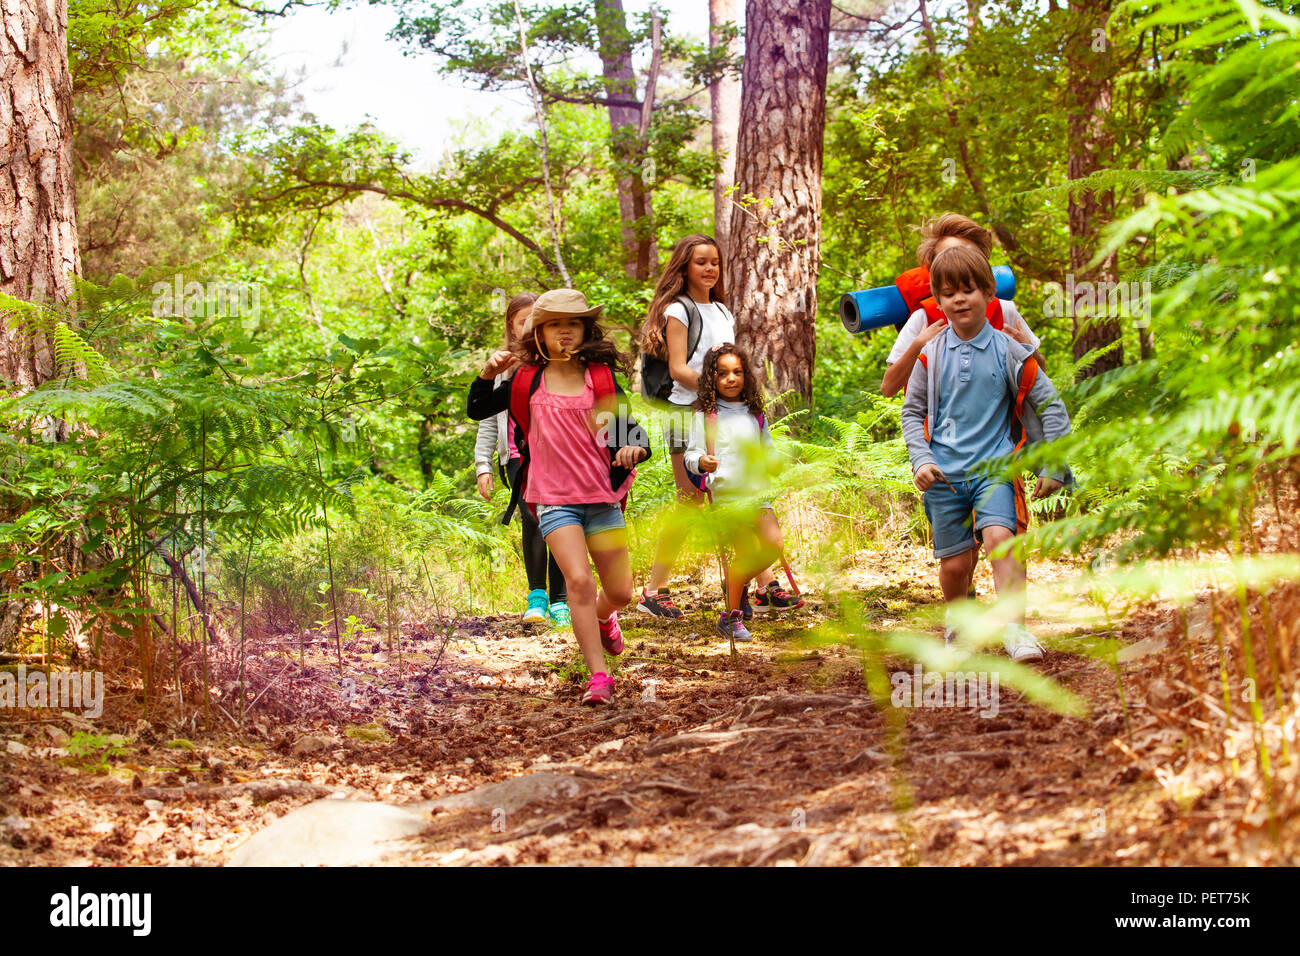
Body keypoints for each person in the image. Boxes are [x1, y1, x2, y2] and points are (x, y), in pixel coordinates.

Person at [467, 289, 650, 705]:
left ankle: (606, 617)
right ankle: (598, 677)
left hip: (601, 498)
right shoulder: (525, 381)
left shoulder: (600, 379)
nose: (563, 332)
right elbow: (477, 410)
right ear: (539, 333)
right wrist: (485, 372)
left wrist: (632, 448)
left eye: (572, 323)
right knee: (579, 583)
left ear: (585, 330)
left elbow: (632, 433)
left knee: (620, 592)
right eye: (553, 324)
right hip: (553, 500)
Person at [900, 246, 1070, 662]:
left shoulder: (1010, 350)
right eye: (949, 293)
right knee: (956, 566)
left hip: (996, 468)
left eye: (969, 290)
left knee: (1001, 541)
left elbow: (1050, 406)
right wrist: (922, 460)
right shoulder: (930, 353)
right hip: (944, 475)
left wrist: (1053, 464)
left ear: (990, 293)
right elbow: (912, 411)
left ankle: (1017, 630)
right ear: (937, 302)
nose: (960, 300)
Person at [882, 213, 1047, 599]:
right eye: (946, 260)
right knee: (959, 558)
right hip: (946, 452)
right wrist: (920, 343)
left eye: (969, 257)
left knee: (1002, 536)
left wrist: (1024, 347)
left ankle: (1012, 625)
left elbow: (1037, 379)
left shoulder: (1004, 310)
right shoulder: (923, 316)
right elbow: (891, 387)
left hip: (1001, 445)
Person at [637, 234, 797, 619]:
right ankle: (653, 590)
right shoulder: (679, 309)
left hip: (720, 413)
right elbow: (678, 368)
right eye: (700, 262)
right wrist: (717, 395)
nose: (709, 269)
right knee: (689, 501)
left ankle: (764, 585)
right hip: (686, 412)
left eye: (714, 262)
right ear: (684, 267)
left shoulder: (723, 312)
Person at [684, 344, 796, 643]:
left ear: (746, 375)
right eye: (722, 374)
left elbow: (768, 449)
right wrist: (701, 462)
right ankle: (730, 617)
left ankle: (738, 589)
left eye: (737, 372)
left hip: (759, 495)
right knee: (746, 553)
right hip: (727, 498)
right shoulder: (705, 417)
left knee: (773, 545)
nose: (731, 379)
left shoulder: (755, 414)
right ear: (711, 378)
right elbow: (690, 455)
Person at [473, 292, 569, 627]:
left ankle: (560, 601)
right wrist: (483, 465)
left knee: (561, 521)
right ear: (512, 328)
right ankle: (537, 597)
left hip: (558, 455)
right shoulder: (502, 365)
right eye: (521, 322)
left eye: (535, 320)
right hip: (517, 455)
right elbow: (485, 418)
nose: (529, 327)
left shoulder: (557, 359)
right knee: (533, 519)